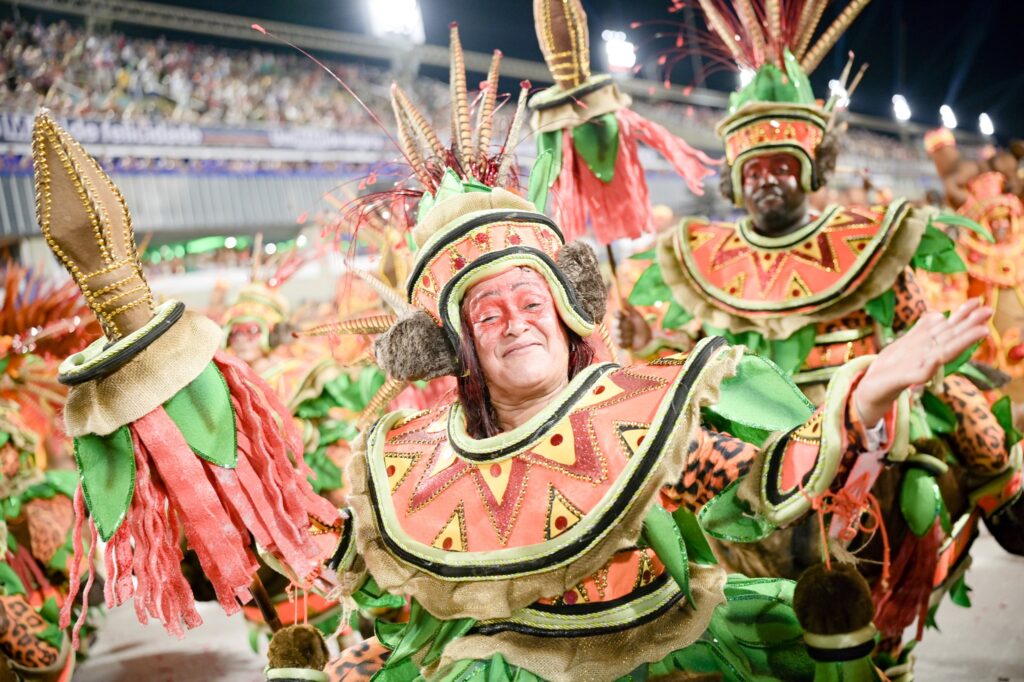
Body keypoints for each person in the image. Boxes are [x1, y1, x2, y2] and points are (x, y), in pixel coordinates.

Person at [305, 24, 992, 682]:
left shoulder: (642, 407)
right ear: (451, 348)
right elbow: (365, 577)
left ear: (567, 308)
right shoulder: (415, 458)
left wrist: (861, 396)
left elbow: (755, 483)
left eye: (531, 301)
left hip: (669, 651)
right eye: (488, 314)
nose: (517, 323)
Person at [611, 0, 1023, 674]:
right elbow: (678, 353)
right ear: (738, 178)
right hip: (735, 443)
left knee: (943, 446)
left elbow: (918, 334)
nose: (769, 179)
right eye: (756, 168)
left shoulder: (870, 240)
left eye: (783, 164)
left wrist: (937, 396)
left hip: (860, 419)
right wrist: (644, 336)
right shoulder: (694, 252)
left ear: (811, 166)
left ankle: (1000, 492)